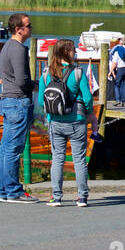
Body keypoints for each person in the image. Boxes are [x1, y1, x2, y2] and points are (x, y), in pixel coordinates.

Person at [38, 38, 92, 208]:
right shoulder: (77, 73)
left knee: (58, 159)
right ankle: (82, 197)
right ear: (67, 52)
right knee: (79, 160)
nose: (75, 52)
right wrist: (88, 112)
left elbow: (41, 101)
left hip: (55, 122)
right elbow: (88, 98)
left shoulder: (46, 74)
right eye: (73, 49)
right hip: (76, 121)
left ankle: (56, 197)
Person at [0, 11, 36, 203]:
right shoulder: (19, 49)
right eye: (28, 26)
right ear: (19, 30)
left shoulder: (7, 46)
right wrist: (35, 85)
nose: (31, 28)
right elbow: (21, 80)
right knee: (13, 148)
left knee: (5, 148)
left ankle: (3, 190)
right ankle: (13, 191)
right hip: (18, 101)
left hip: (8, 101)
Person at [109, 37, 125, 105]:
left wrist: (111, 71)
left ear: (120, 43)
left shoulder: (118, 51)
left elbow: (114, 63)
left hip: (120, 69)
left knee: (117, 85)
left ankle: (118, 99)